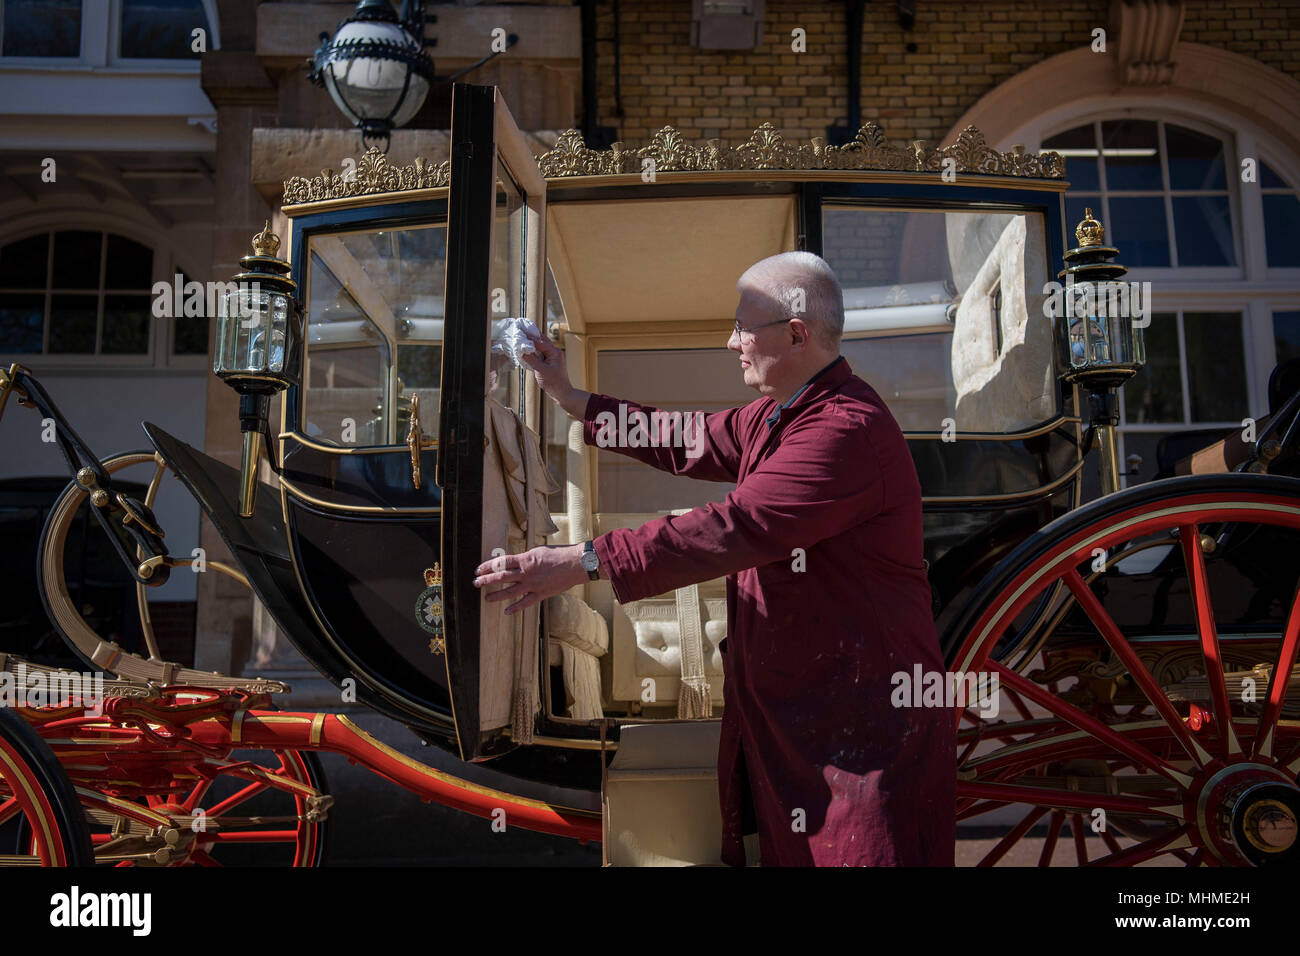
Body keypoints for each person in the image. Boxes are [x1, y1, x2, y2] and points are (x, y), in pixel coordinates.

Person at [473, 251, 955, 866]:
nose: (732, 343)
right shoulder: (783, 413)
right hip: (811, 710)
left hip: (857, 727)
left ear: (798, 334)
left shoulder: (844, 430)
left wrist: (578, 562)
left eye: (743, 327)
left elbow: (733, 527)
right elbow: (685, 437)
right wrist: (570, 396)